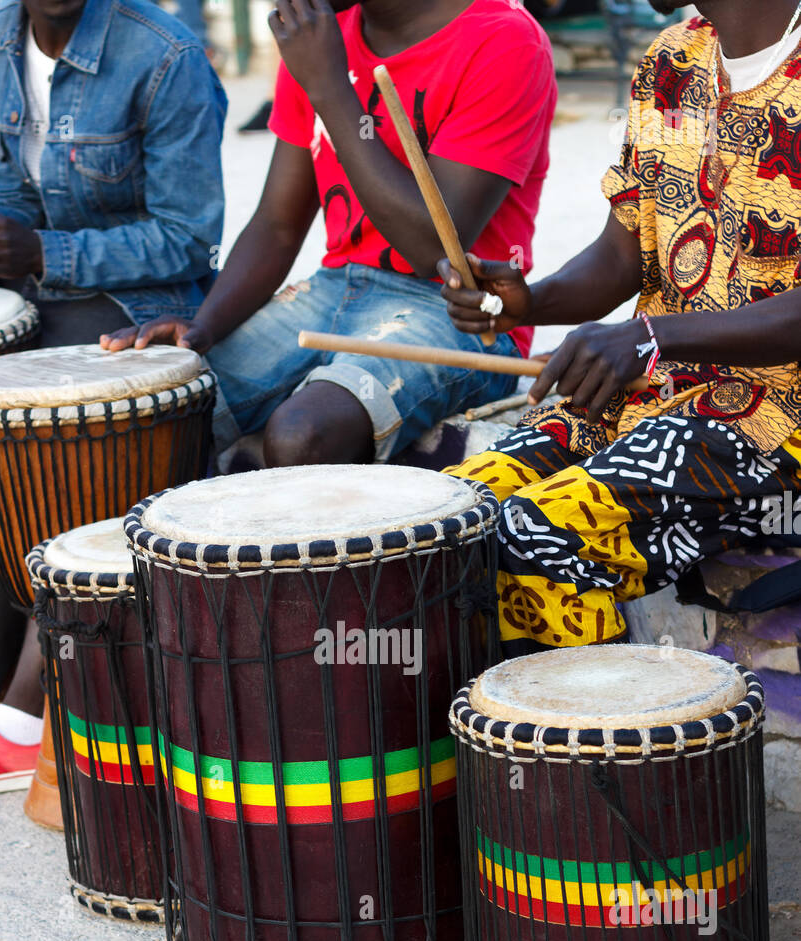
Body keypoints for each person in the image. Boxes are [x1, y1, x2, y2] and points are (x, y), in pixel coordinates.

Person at [440, 0, 801, 654]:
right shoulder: (672, 60)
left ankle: (598, 751)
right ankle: (486, 744)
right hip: (657, 393)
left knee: (537, 533)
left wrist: (652, 340)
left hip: (779, 422)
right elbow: (623, 249)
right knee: (454, 517)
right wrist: (528, 302)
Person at [0, 0, 226, 801]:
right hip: (50, 294)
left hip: (142, 308)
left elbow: (189, 236)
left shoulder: (164, 55)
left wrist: (40, 249)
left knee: (39, 424)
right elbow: (11, 204)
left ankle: (10, 711)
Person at [104, 0, 557, 471]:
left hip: (460, 313)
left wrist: (330, 88)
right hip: (336, 286)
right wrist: (202, 328)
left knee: (303, 433)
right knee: (162, 410)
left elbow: (433, 248)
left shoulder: (504, 40)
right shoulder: (325, 36)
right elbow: (278, 224)